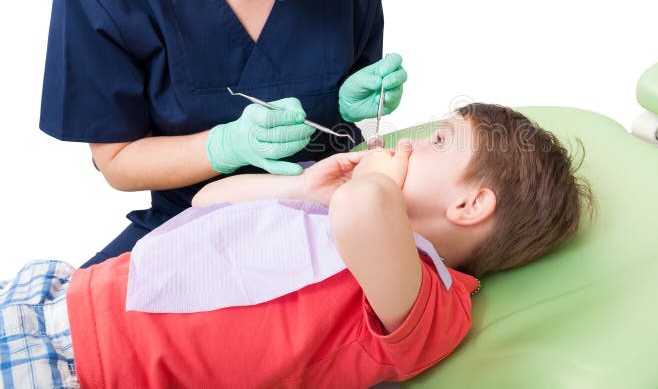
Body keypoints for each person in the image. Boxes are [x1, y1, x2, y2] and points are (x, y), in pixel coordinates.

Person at [2, 104, 594, 388]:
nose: (409, 142)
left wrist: (374, 184)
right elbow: (208, 203)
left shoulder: (427, 292)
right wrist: (299, 186)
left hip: (88, 371)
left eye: (440, 140)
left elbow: (366, 214)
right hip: (65, 296)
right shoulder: (339, 206)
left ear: (470, 205)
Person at [38, 0, 407, 268]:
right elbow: (118, 163)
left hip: (326, 219)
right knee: (80, 317)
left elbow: (346, 131)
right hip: (186, 223)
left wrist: (346, 106)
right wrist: (224, 145)